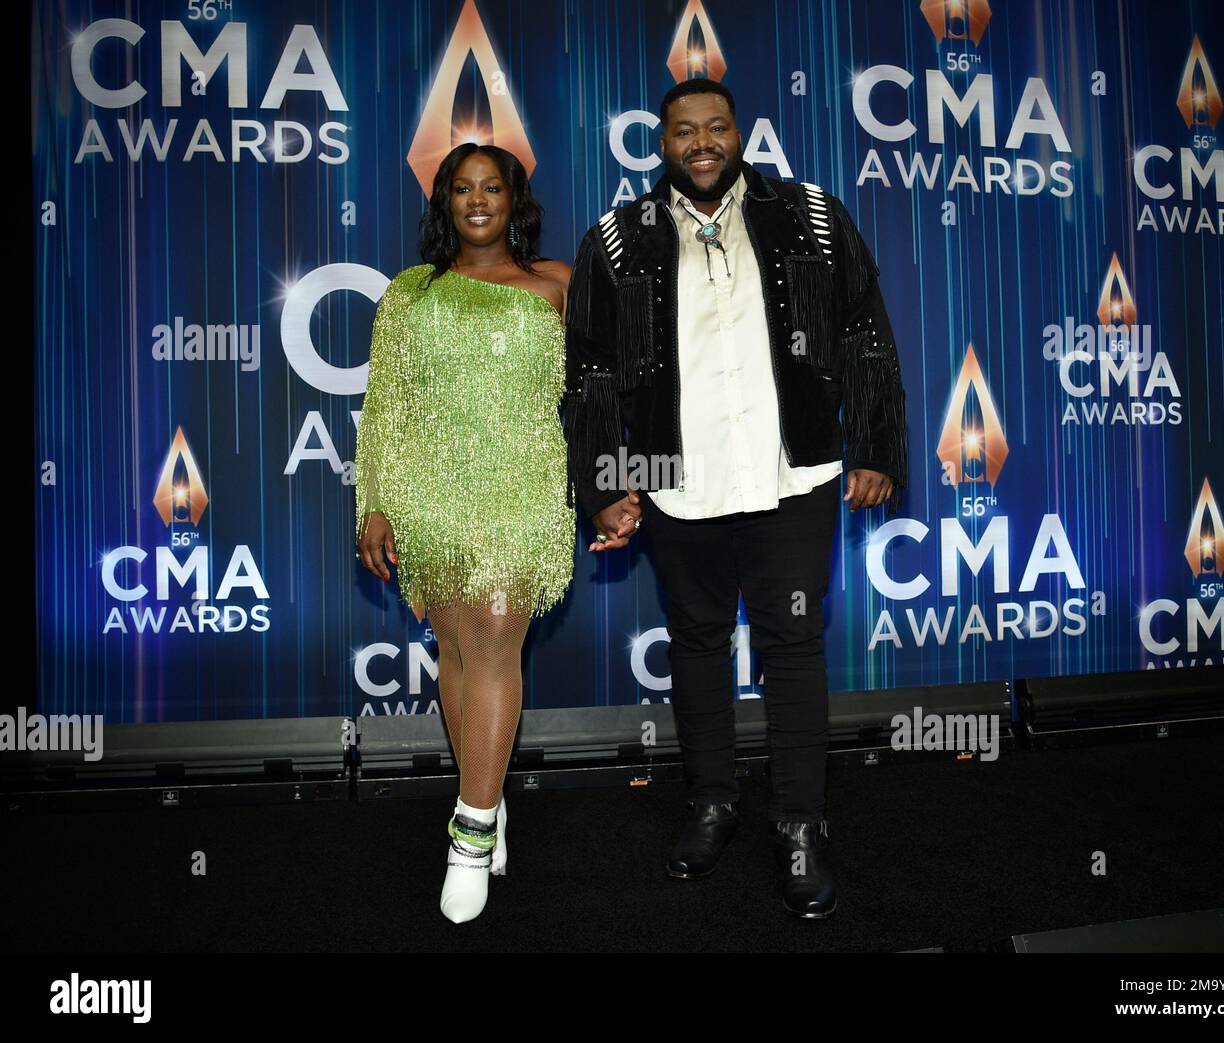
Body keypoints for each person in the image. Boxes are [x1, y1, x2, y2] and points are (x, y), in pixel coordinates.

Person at [561, 79, 908, 918]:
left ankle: (798, 823)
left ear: (740, 133)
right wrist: (608, 484)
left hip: (795, 476)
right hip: (682, 484)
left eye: (717, 127)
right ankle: (711, 802)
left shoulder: (813, 215)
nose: (703, 142)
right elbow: (592, 372)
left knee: (793, 643)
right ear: (662, 143)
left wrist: (875, 446)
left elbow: (864, 328)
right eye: (685, 131)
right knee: (698, 642)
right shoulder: (616, 238)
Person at [354, 142, 575, 923]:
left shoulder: (557, 285)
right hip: (428, 492)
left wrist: (619, 482)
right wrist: (373, 504)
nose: (476, 200)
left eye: (492, 187)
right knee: (454, 650)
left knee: (491, 638)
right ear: (443, 202)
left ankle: (471, 832)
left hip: (525, 488)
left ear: (516, 201)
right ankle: (485, 792)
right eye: (461, 188)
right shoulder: (410, 293)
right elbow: (384, 407)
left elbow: (602, 393)